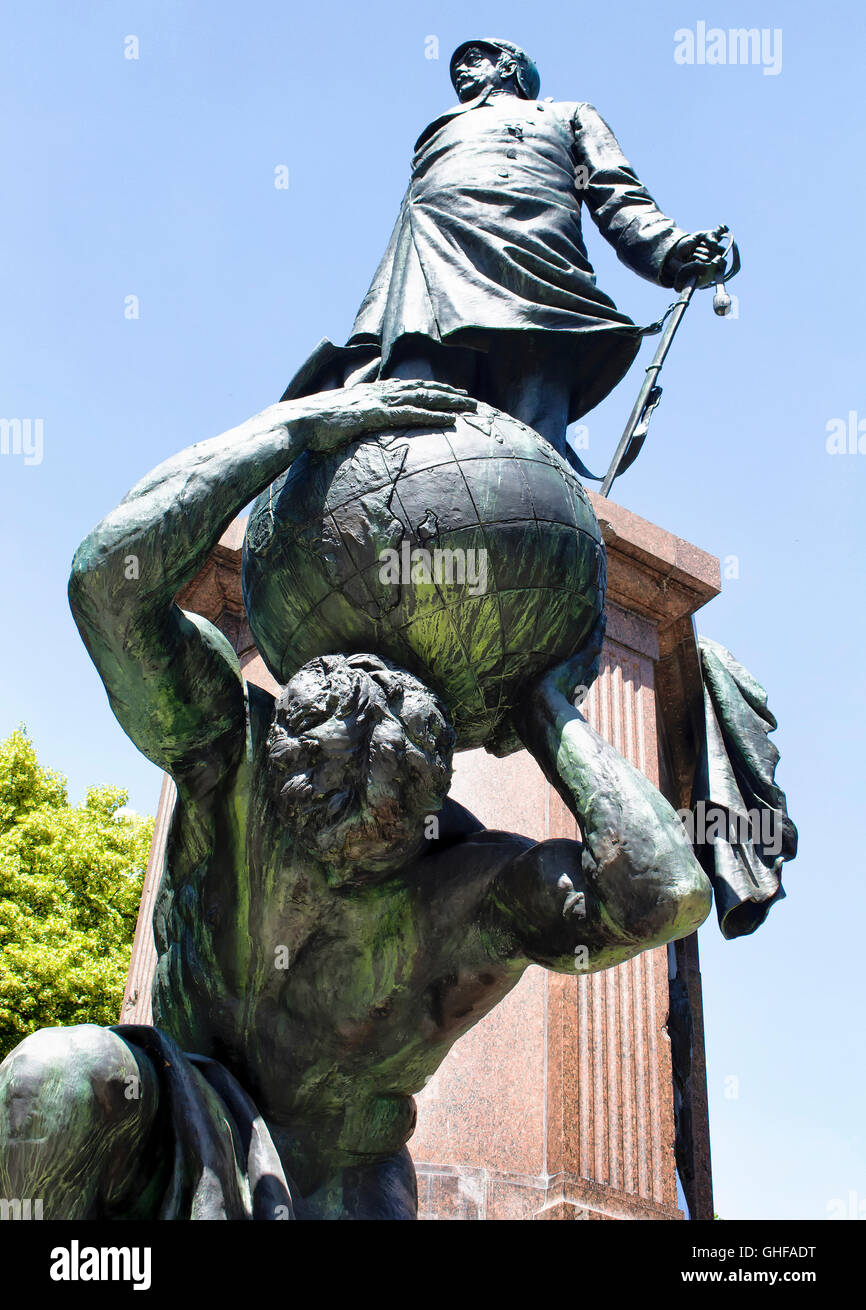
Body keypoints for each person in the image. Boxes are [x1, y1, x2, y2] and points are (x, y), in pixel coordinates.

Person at [0, 381, 711, 1219]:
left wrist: (549, 712)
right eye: (317, 783)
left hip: (336, 1181)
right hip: (178, 1115)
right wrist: (292, 428)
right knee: (54, 1077)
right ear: (281, 741)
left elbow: (664, 893)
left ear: (430, 803)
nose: (339, 837)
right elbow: (104, 582)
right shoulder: (225, 749)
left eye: (378, 820)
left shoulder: (472, 889)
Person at [282, 39, 730, 458]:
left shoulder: (565, 114)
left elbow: (616, 192)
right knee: (411, 415)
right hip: (435, 263)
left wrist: (671, 248)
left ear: (510, 67)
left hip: (538, 270)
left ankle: (543, 520)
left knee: (532, 434)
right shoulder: (440, 128)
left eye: (476, 59)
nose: (461, 70)